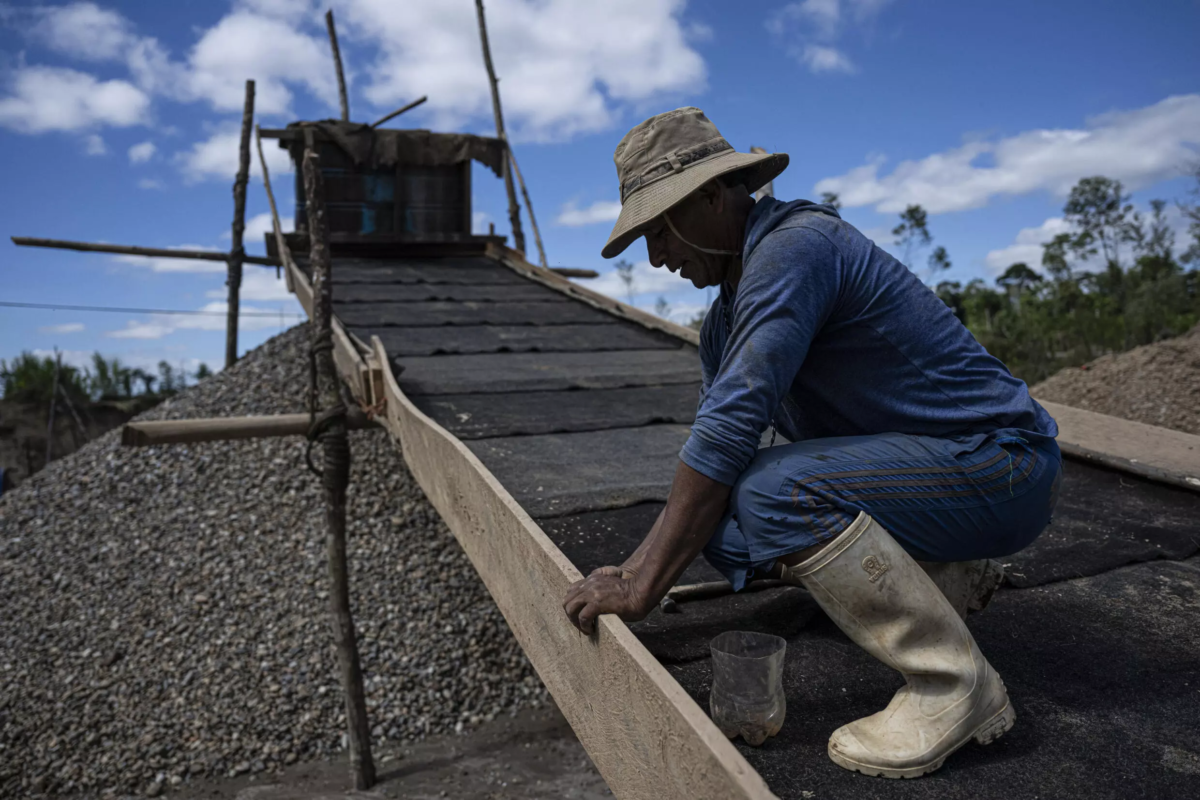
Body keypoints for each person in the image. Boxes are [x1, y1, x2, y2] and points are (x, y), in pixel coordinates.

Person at [561, 107, 1061, 778]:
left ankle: (955, 686)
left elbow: (731, 427)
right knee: (727, 527)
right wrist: (634, 568)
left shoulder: (796, 248)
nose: (657, 257)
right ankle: (945, 573)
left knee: (776, 493)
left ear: (714, 196)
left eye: (660, 230)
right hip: (933, 475)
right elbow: (719, 452)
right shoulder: (723, 320)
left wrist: (642, 583)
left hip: (1004, 464)